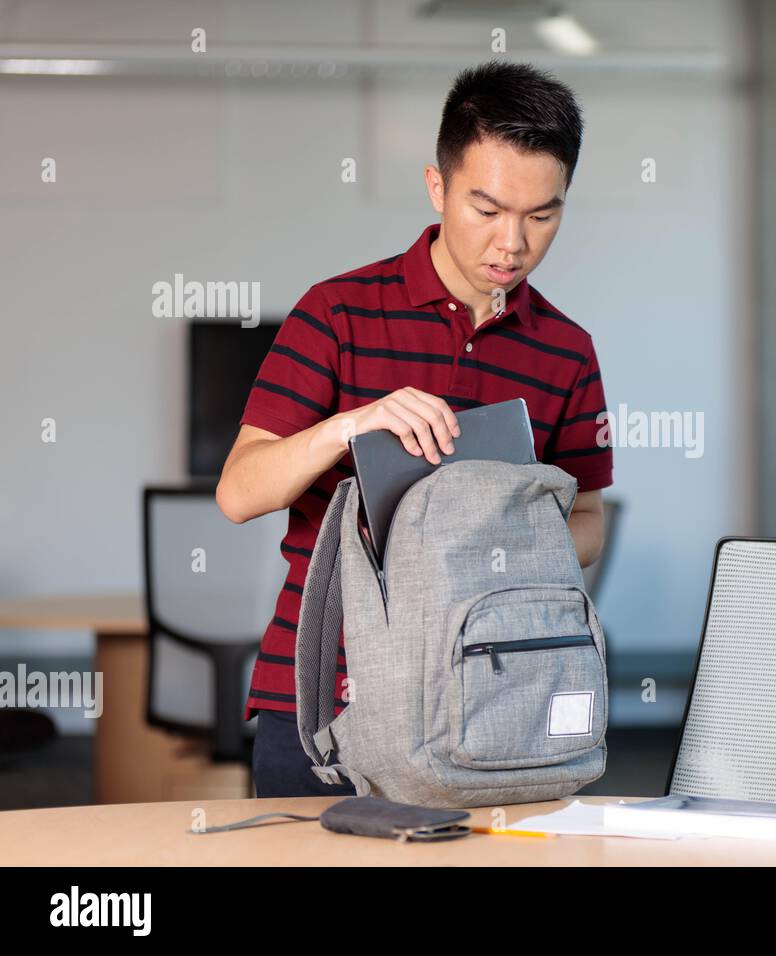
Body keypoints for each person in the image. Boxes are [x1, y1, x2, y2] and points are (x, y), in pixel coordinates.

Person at [215, 61, 612, 798]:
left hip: (494, 704)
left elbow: (588, 519)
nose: (512, 243)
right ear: (437, 187)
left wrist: (506, 529)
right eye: (486, 209)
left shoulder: (566, 349)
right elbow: (239, 491)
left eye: (541, 215)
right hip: (324, 707)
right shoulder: (337, 313)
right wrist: (348, 425)